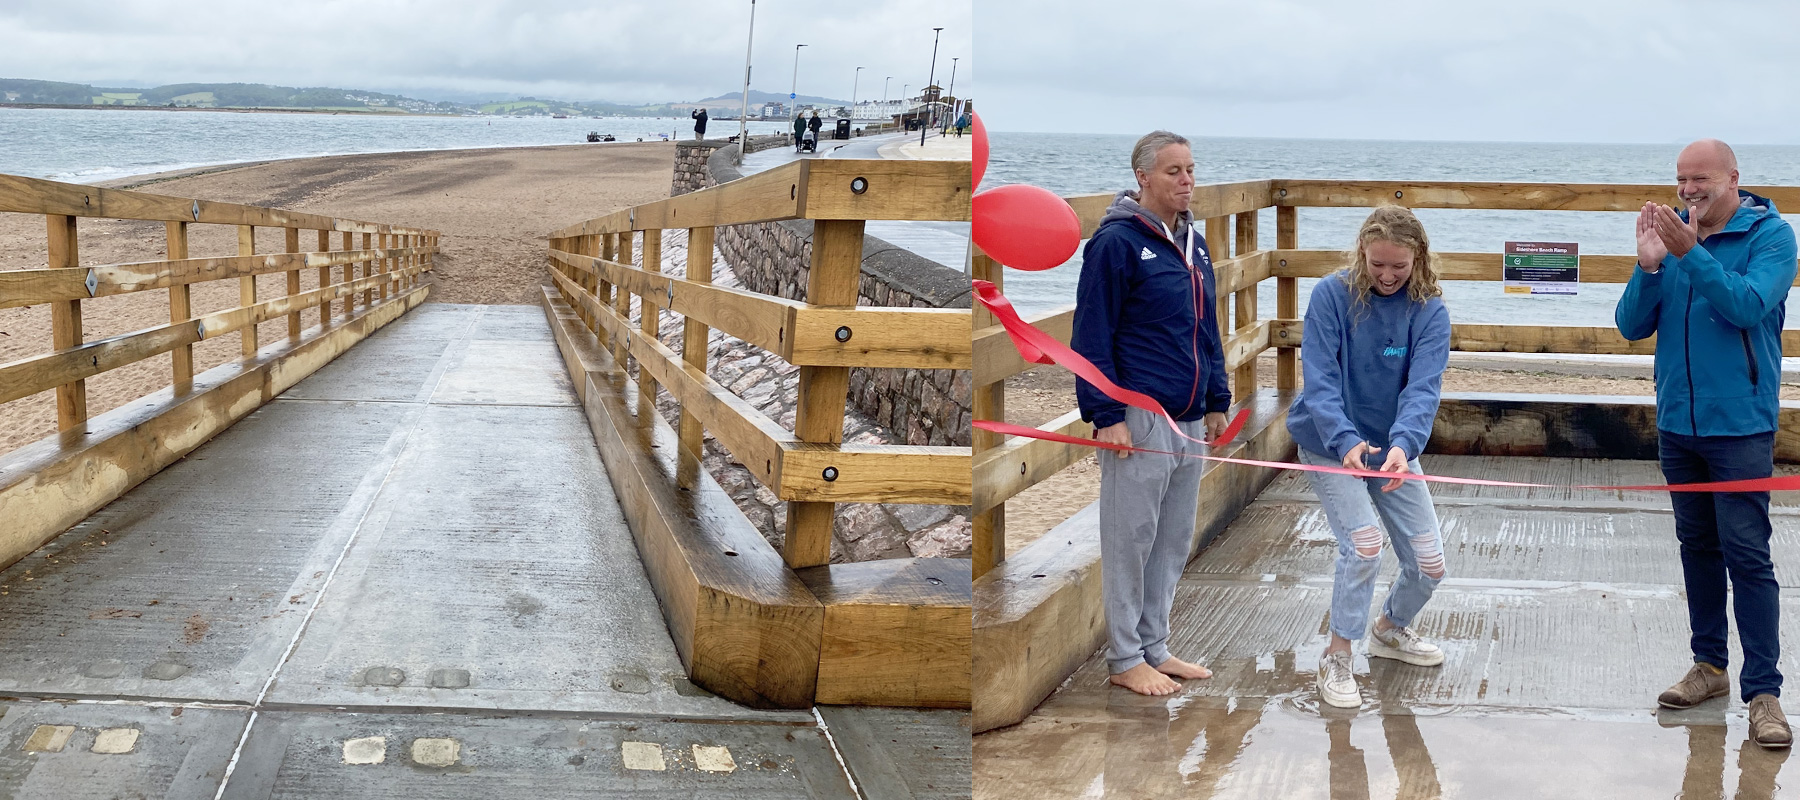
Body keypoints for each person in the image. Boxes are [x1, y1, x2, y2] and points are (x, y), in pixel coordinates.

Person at [1616, 138, 1797, 748]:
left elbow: (1746, 306)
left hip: (1741, 425)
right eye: (1680, 179)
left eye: (1701, 179)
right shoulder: (1670, 242)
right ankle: (1709, 667)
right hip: (1678, 425)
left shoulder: (1772, 239)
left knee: (1748, 556)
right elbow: (1630, 325)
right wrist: (1648, 266)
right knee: (1696, 548)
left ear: (1734, 179)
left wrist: (1688, 253)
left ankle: (1765, 691)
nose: (1688, 190)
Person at [1071, 130, 1229, 696]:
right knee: (1129, 541)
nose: (1187, 180)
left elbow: (1206, 328)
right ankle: (1124, 659)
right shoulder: (1115, 243)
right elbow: (1092, 333)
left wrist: (1217, 399)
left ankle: (1156, 647)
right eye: (1174, 171)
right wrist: (1104, 411)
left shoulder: (1196, 244)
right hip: (1138, 417)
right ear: (1143, 178)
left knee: (1172, 538)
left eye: (1191, 170)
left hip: (1189, 419)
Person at [1286, 206, 1452, 709]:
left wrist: (1404, 447)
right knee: (1363, 544)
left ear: (1417, 259)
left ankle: (1390, 628)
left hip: (1393, 447)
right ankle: (1338, 655)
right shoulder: (1331, 295)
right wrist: (1344, 441)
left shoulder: (1430, 311)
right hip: (1328, 439)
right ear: (1362, 251)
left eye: (1398, 267)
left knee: (1430, 564)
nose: (1386, 275)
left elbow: (1422, 390)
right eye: (1377, 263)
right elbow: (1320, 379)